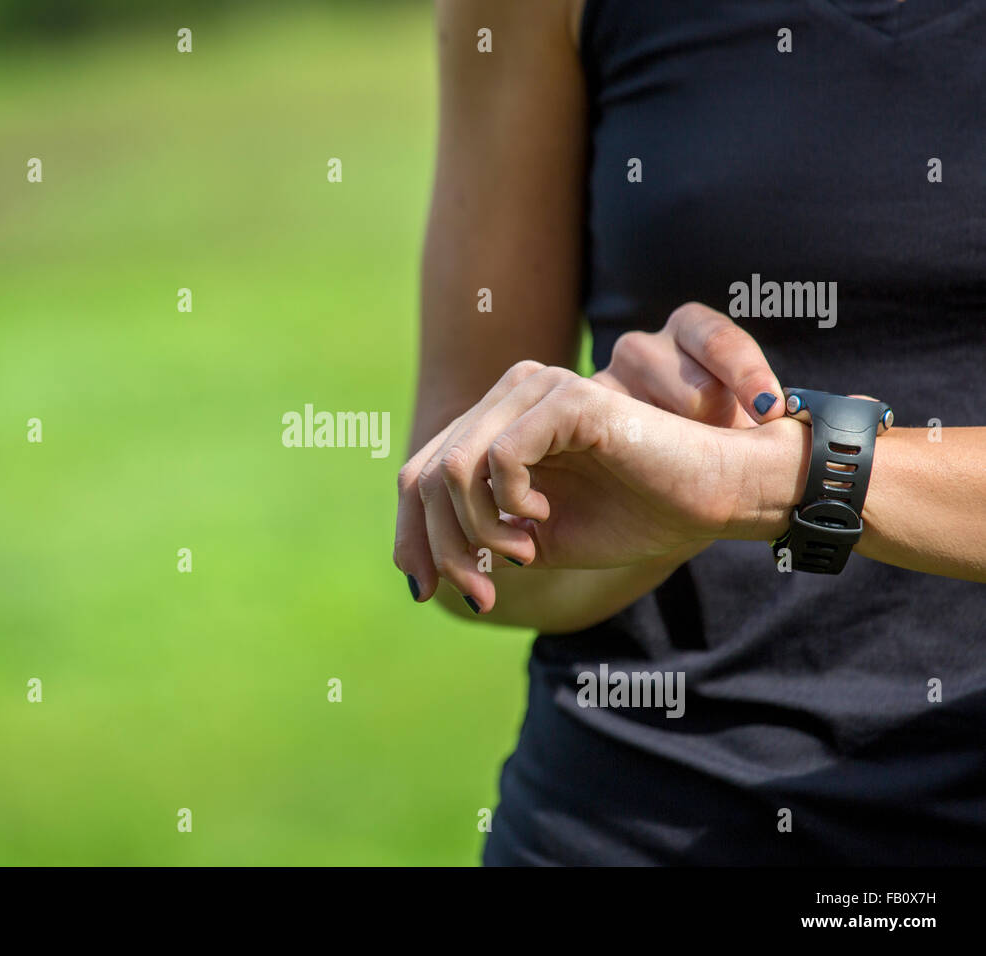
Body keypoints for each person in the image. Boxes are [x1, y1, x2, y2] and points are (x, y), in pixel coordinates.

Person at [396, 0, 986, 864]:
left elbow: (754, 482)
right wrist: (635, 487)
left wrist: (768, 478)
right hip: (635, 827)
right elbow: (461, 553)